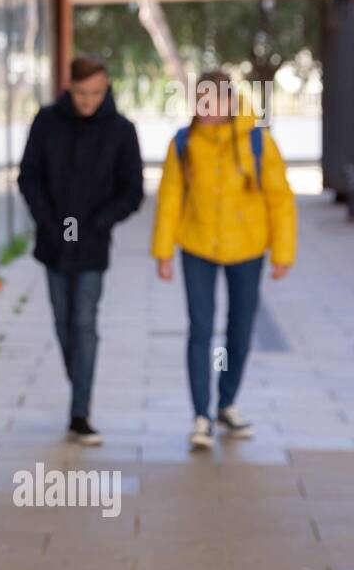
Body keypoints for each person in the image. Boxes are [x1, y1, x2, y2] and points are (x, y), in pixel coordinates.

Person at [151, 69, 297, 451]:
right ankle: (201, 415)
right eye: (200, 101)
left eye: (213, 101)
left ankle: (227, 404)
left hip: (247, 250)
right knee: (200, 327)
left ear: (230, 101)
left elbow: (280, 200)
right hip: (197, 245)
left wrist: (282, 253)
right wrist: (163, 251)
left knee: (240, 328)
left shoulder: (258, 141)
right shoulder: (183, 142)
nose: (206, 109)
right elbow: (169, 198)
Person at [17, 53, 144, 446]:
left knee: (84, 322)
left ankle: (80, 412)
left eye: (96, 93)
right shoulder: (47, 121)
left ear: (105, 89)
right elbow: (29, 176)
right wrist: (48, 220)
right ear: (69, 87)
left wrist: (100, 221)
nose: (88, 100)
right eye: (82, 92)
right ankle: (81, 389)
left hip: (91, 241)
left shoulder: (121, 130)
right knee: (63, 322)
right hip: (55, 240)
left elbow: (132, 190)